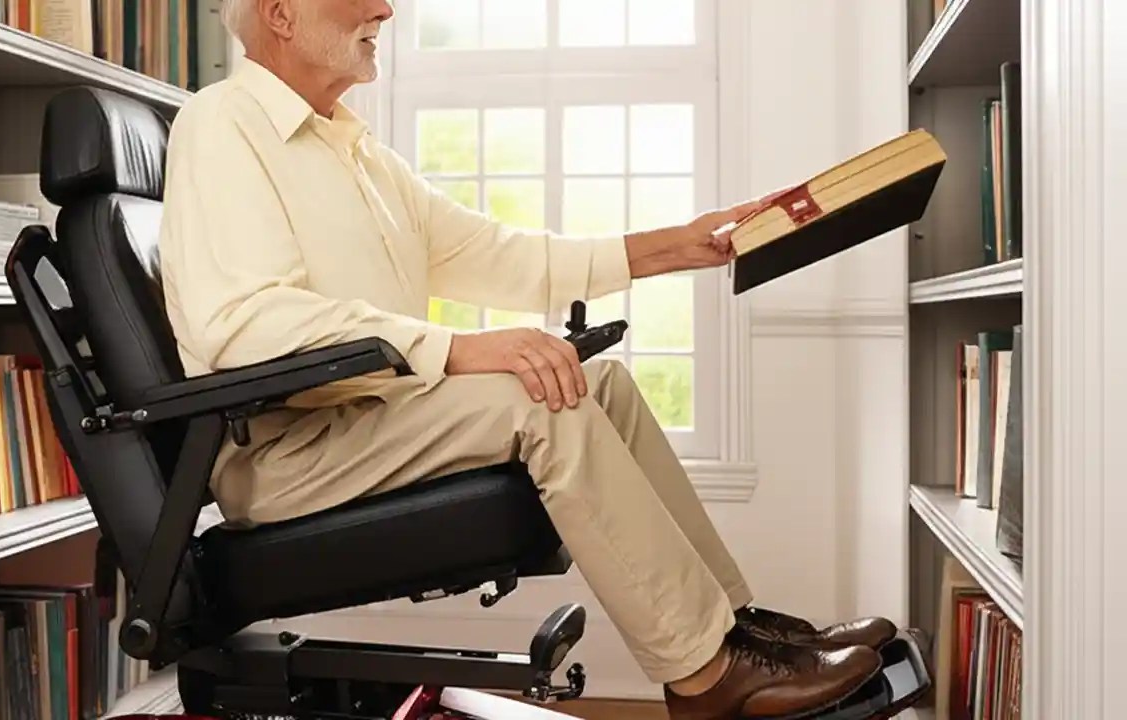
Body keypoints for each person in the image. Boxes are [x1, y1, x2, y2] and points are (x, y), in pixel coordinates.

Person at [157, 1, 899, 718]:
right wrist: (461, 350)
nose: (385, 11)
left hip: (368, 425)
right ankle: (706, 678)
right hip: (290, 451)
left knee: (595, 381)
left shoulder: (356, 153)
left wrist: (680, 244)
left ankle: (738, 634)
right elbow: (243, 323)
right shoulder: (222, 124)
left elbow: (498, 254)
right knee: (541, 395)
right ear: (281, 14)